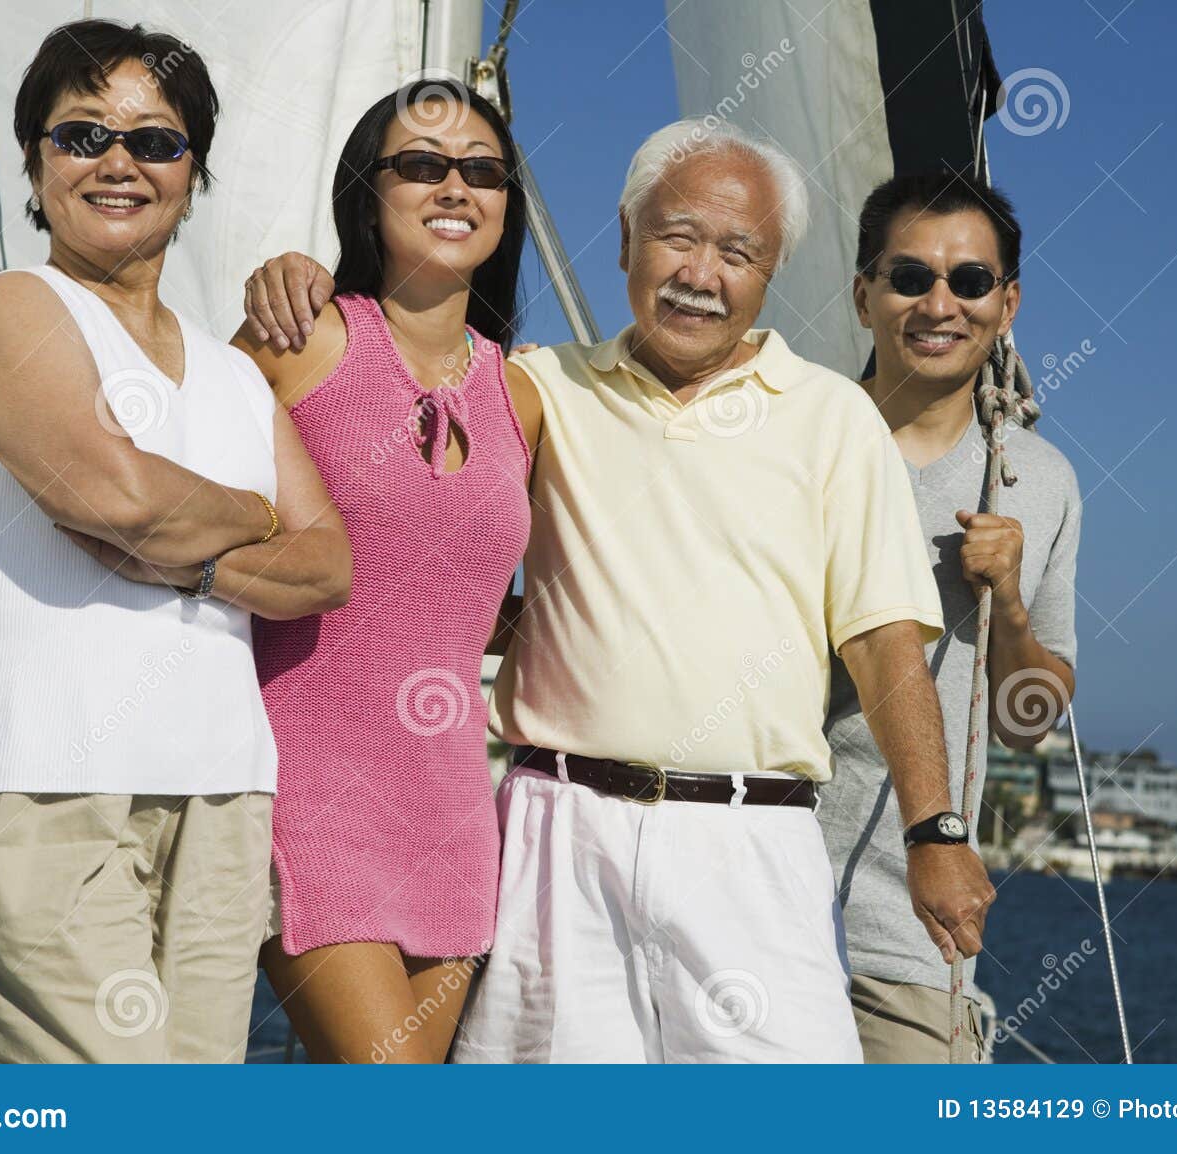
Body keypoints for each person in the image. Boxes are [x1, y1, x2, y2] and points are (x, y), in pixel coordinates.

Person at [245, 119, 993, 1062]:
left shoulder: (837, 418)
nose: (701, 272)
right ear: (626, 236)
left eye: (738, 252)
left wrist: (936, 829)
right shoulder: (538, 387)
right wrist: (304, 278)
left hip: (750, 843)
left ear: (771, 276)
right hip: (556, 839)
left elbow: (886, 645)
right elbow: (414, 519)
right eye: (678, 236)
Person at [0, 19, 351, 1064]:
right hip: (36, 786)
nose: (117, 161)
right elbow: (117, 495)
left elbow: (327, 565)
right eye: (80, 135)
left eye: (155, 141)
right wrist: (254, 513)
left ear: (192, 173)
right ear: (33, 160)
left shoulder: (234, 372)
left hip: (222, 790)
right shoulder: (14, 307)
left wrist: (185, 551)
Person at [232, 80, 538, 1064]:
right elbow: (179, 493)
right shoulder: (299, 338)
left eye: (481, 169)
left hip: (449, 811)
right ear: (368, 193)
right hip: (306, 789)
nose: (454, 185)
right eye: (421, 163)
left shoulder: (522, 394)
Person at [818, 172, 1081, 1063]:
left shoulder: (1040, 483)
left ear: (1006, 304)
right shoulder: (793, 444)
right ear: (864, 294)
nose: (941, 303)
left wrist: (1006, 603)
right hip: (750, 901)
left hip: (910, 936)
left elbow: (1029, 724)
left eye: (970, 282)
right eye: (908, 277)